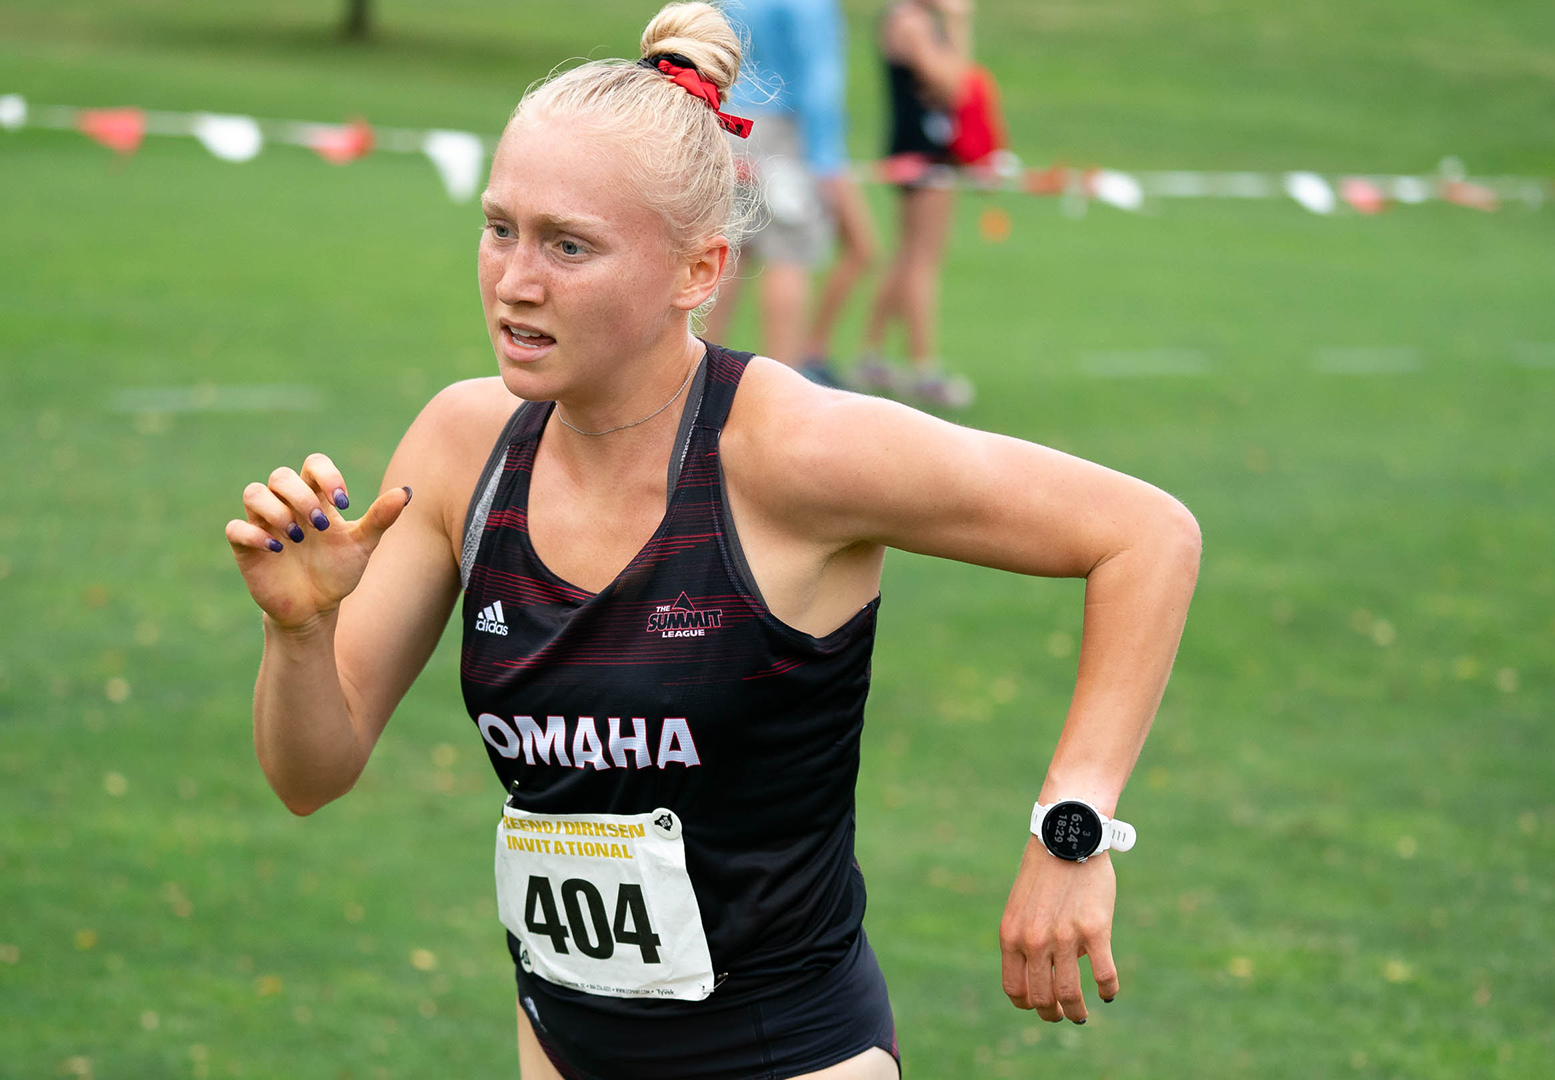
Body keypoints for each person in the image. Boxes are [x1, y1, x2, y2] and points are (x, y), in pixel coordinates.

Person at [225, 4, 1200, 1077]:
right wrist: (301, 634)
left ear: (698, 271)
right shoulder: (466, 447)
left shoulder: (789, 450)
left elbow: (1144, 534)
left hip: (790, 1056)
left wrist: (1073, 828)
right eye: (501, 228)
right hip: (561, 1050)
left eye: (569, 245)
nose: (516, 282)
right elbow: (310, 775)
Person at [700, 0, 878, 388]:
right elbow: (818, 79)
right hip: (783, 126)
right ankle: (783, 389)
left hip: (731, 120)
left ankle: (700, 378)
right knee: (787, 252)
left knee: (729, 250)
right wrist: (826, 158)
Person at [857, 0, 979, 408]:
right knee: (923, 260)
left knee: (907, 257)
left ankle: (871, 356)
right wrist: (958, 22)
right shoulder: (911, 22)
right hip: (924, 154)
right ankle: (923, 368)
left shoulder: (908, 18)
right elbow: (956, 87)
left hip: (918, 152)